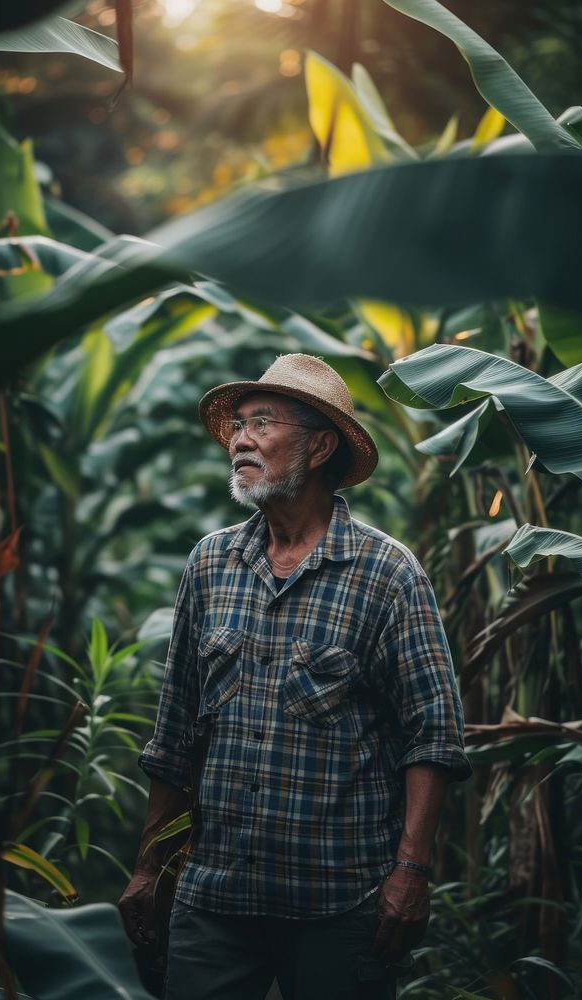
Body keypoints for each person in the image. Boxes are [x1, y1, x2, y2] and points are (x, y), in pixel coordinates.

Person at [119, 354, 471, 1000]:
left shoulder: (386, 574)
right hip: (214, 894)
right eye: (236, 427)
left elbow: (433, 735)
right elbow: (174, 735)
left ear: (318, 447)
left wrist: (411, 870)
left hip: (339, 902)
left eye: (261, 423)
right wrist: (149, 867)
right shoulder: (211, 564)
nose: (239, 439)